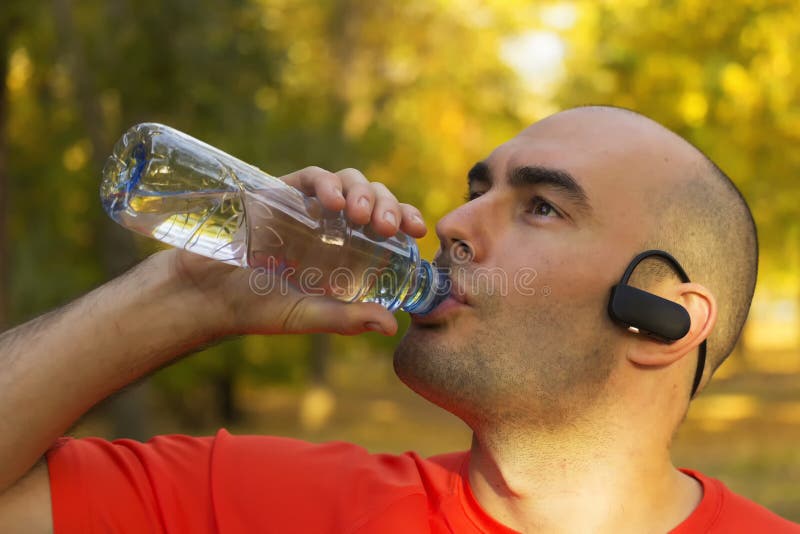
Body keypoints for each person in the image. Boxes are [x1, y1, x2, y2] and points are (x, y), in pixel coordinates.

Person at [0, 106, 796, 533]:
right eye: (477, 188)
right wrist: (187, 293)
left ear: (662, 318)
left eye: (542, 206)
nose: (452, 222)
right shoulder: (271, 505)